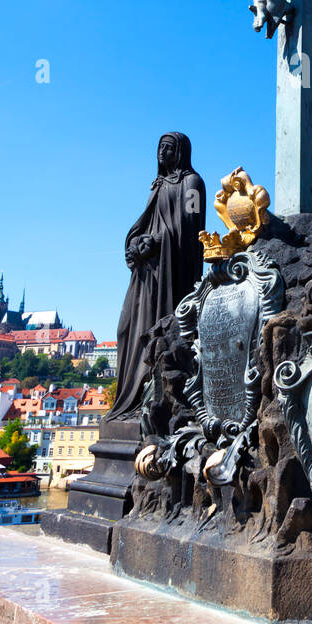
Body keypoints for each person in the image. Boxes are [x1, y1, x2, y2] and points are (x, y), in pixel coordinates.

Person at [108, 133, 205, 420]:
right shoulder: (158, 185)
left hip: (173, 272)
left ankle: (155, 399)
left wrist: (158, 240)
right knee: (126, 329)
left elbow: (192, 228)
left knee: (160, 335)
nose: (162, 152)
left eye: (169, 147)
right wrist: (137, 242)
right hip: (147, 270)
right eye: (160, 147)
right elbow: (145, 221)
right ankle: (132, 398)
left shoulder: (192, 184)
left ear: (181, 152)